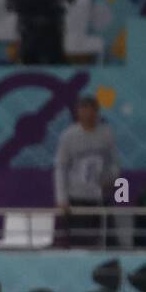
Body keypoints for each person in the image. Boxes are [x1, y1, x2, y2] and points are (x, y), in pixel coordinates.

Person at [54, 96, 119, 247]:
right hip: (78, 198)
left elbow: (115, 163)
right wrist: (61, 199)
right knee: (81, 243)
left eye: (92, 112)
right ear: (78, 113)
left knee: (109, 242)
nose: (88, 116)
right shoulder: (68, 136)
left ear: (97, 112)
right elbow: (61, 168)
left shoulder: (107, 134)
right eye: (84, 112)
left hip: (101, 197)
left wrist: (111, 178)